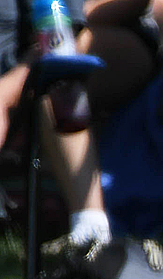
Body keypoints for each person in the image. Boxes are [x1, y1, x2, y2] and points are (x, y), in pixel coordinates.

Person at [0, 0, 112, 246]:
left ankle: (91, 233)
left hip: (23, 72)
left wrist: (7, 94)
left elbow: (57, 38)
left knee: (61, 81)